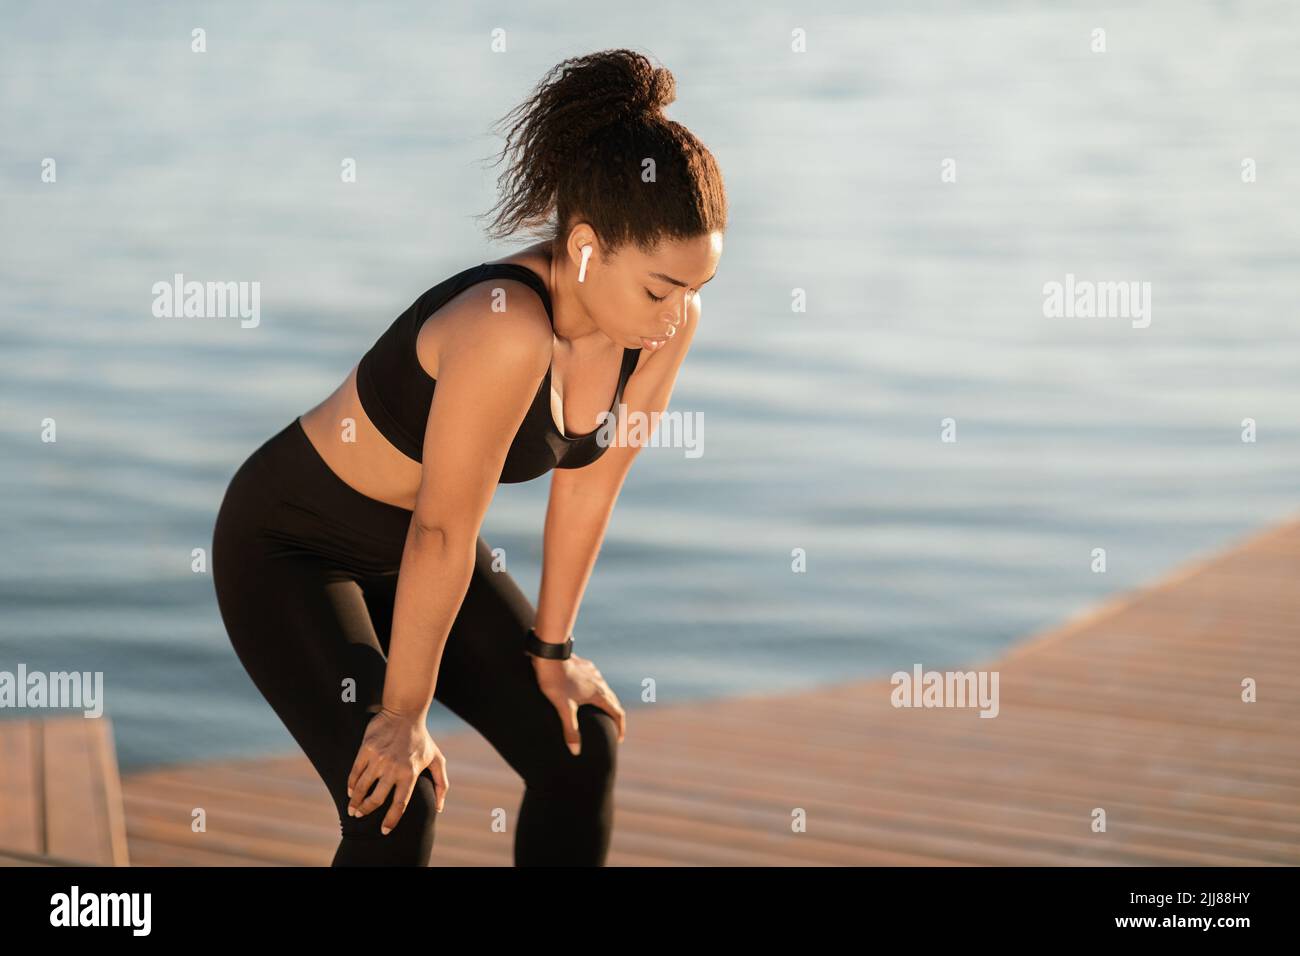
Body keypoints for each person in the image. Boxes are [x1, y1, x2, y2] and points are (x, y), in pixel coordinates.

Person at [210, 48, 727, 866]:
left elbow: (590, 488)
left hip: (415, 548)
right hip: (292, 547)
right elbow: (445, 533)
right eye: (660, 289)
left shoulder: (662, 331)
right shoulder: (504, 328)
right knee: (395, 798)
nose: (677, 316)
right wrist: (404, 716)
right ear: (587, 249)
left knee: (579, 743)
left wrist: (552, 654)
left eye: (696, 289)